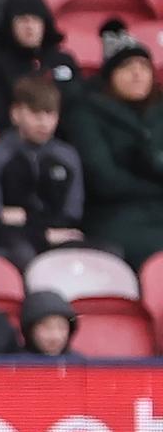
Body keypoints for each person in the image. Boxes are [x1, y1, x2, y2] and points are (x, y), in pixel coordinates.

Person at [60, 30, 163, 268]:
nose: (137, 73)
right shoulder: (86, 113)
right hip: (115, 216)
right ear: (110, 75)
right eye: (127, 66)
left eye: (144, 66)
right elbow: (104, 179)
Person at [0, 73, 84, 270]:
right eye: (35, 113)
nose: (44, 122)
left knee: (108, 254)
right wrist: (43, 234)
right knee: (23, 253)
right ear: (15, 114)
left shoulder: (68, 156)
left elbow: (71, 214)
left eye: (50, 114)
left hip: (58, 234)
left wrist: (25, 218)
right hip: (11, 240)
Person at [0, 0, 77, 125]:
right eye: (22, 19)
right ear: (10, 24)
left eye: (35, 19)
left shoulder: (64, 61)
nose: (30, 26)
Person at [19, 288, 78, 356]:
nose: (55, 336)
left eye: (62, 327)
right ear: (29, 330)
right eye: (46, 327)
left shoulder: (81, 364)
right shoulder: (13, 364)